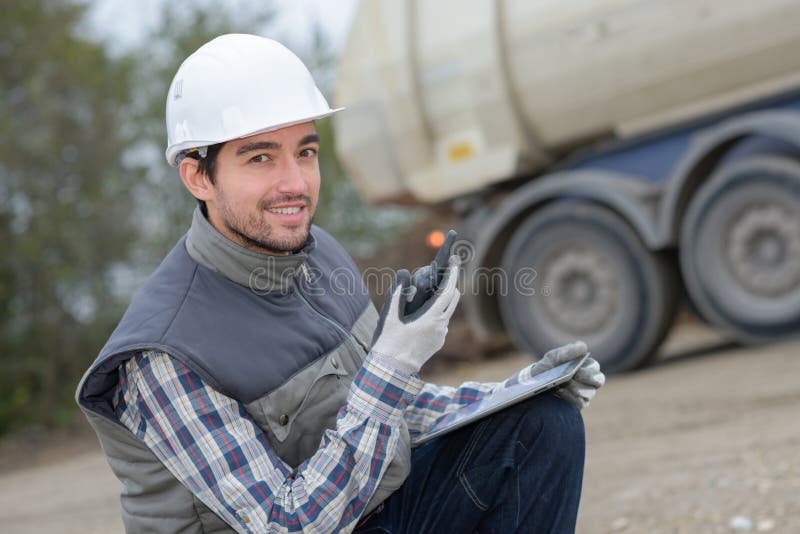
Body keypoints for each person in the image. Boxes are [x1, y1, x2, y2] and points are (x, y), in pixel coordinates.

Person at [76, 34, 605, 533]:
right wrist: (392, 362)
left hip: (363, 516)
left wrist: (518, 393)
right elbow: (291, 523)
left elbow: (388, 410)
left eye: (305, 152)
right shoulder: (164, 354)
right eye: (260, 157)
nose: (295, 182)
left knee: (543, 426)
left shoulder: (318, 253)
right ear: (198, 177)